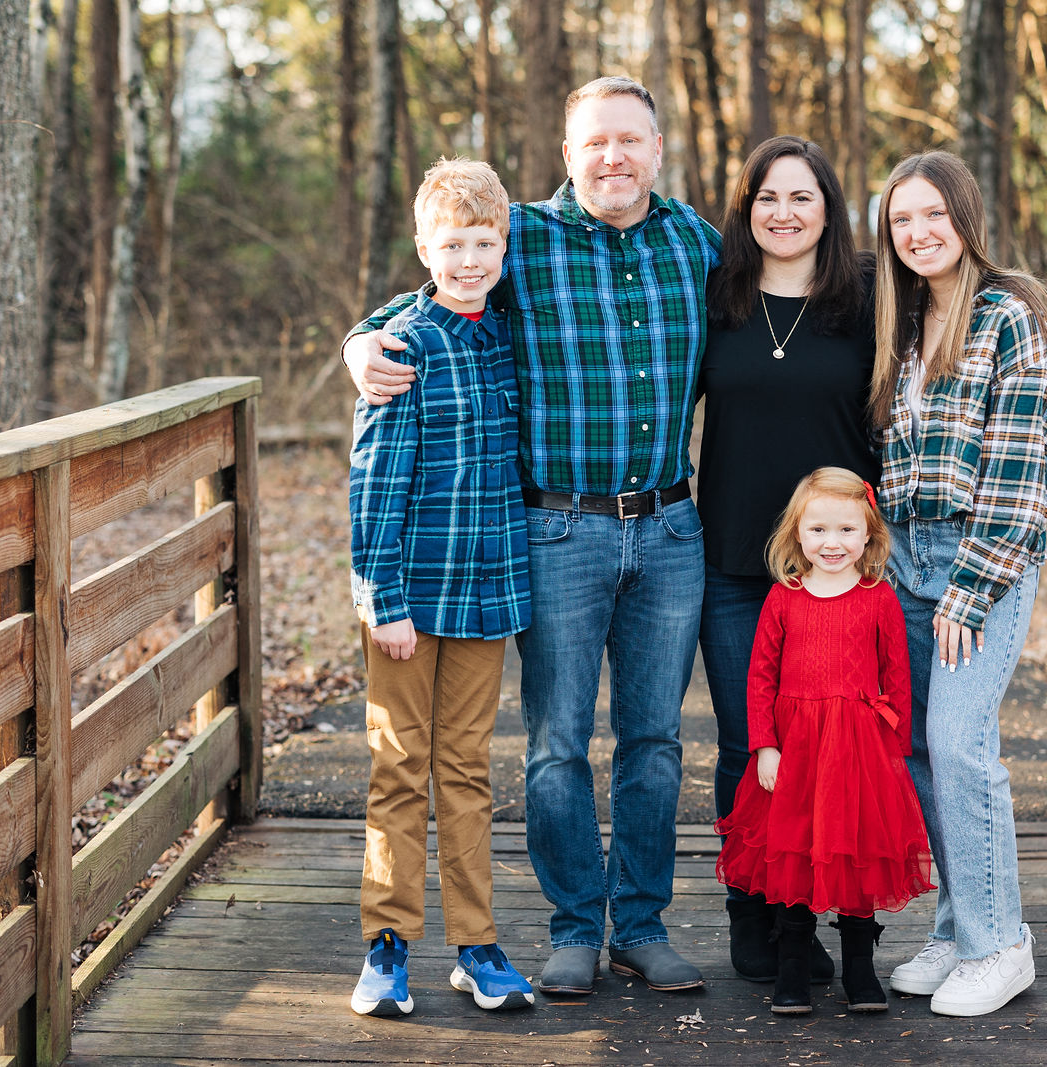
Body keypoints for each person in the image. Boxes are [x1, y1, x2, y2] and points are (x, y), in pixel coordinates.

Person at [343, 76, 720, 997]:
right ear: (568, 154)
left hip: (670, 526)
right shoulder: (530, 242)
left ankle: (640, 923)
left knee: (656, 738)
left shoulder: (699, 245)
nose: (614, 157)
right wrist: (361, 340)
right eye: (595, 141)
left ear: (658, 148)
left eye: (630, 139)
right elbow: (444, 287)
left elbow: (793, 303)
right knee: (555, 741)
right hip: (556, 531)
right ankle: (571, 928)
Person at [870, 151, 1047, 1017]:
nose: (918, 233)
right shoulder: (908, 319)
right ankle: (958, 927)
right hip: (908, 556)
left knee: (958, 741)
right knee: (920, 750)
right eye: (902, 220)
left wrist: (971, 586)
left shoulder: (1009, 317)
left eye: (933, 216)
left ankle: (1002, 944)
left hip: (980, 559)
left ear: (965, 217)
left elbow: (1020, 474)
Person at [347, 158, 534, 1016]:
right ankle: (387, 945)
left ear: (505, 245)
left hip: (487, 591)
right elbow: (375, 479)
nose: (468, 259)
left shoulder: (508, 331)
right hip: (409, 601)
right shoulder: (400, 346)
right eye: (451, 243)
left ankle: (476, 942)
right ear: (423, 247)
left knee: (466, 771)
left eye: (483, 242)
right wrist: (379, 596)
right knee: (399, 766)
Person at [696, 135, 878, 983]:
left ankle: (836, 920)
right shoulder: (717, 299)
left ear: (828, 210)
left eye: (802, 197)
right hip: (736, 563)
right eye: (767, 197)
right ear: (746, 209)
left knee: (844, 745)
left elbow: (963, 308)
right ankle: (758, 907)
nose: (784, 212)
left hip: (843, 574)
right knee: (750, 744)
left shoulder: (867, 300)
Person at [715, 467, 932, 1015]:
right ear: (797, 535)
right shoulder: (784, 598)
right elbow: (760, 677)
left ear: (869, 535)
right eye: (818, 531)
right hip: (795, 749)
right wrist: (765, 745)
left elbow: (897, 675)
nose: (831, 543)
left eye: (845, 530)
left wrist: (894, 748)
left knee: (855, 854)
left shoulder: (878, 596)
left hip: (860, 750)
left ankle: (860, 969)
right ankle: (791, 969)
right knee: (794, 857)